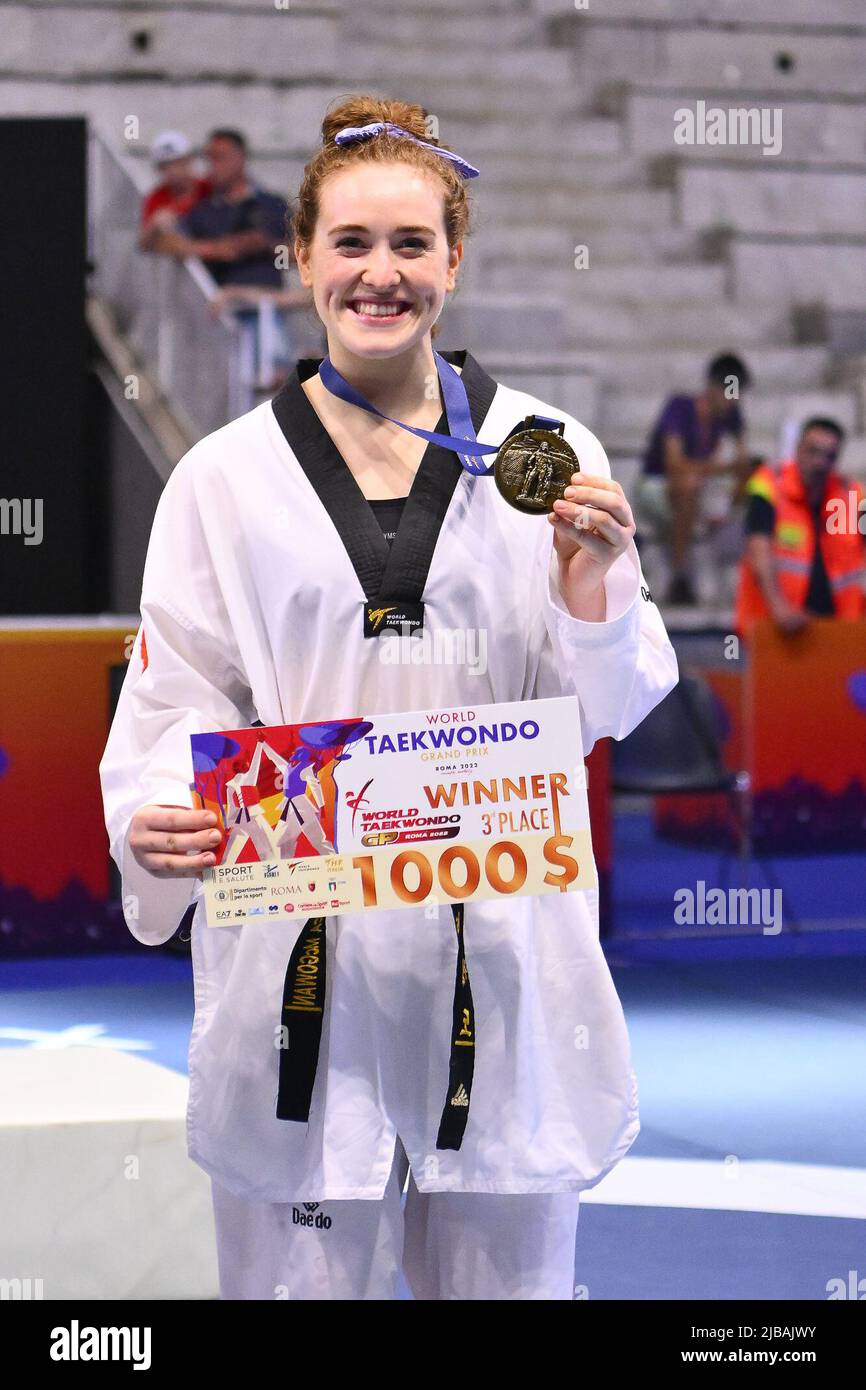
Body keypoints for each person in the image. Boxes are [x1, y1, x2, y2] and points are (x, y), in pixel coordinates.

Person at [99, 95, 679, 1301]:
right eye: (350, 243)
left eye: (411, 245)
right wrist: (157, 809)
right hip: (302, 959)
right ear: (299, 255)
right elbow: (179, 699)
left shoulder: (548, 448)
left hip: (501, 952)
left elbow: (609, 702)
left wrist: (592, 587)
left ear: (453, 262)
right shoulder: (221, 478)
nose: (380, 274)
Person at [735, 417, 866, 637]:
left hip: (841, 629)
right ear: (797, 450)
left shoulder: (851, 495)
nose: (819, 463)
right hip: (777, 628)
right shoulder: (768, 484)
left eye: (829, 456)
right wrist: (779, 607)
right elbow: (759, 548)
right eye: (812, 452)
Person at [641, 352, 752, 606]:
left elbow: (741, 463)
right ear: (712, 387)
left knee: (757, 477)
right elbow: (674, 465)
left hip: (702, 490)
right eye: (728, 393)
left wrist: (734, 492)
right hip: (657, 487)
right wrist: (724, 468)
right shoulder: (680, 407)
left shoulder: (732, 416)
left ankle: (733, 565)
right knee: (688, 483)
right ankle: (680, 576)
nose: (731, 402)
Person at [151, 128, 287, 288]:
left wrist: (266, 246)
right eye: (210, 159)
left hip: (270, 304)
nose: (213, 166)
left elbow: (301, 254)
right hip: (220, 305)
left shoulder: (272, 204)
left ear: (240, 158)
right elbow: (165, 243)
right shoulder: (203, 209)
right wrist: (219, 249)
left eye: (220, 158)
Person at [138, 130, 211, 253]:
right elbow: (143, 243)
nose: (173, 171)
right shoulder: (156, 197)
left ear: (190, 161)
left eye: (178, 163)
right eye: (165, 166)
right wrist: (155, 225)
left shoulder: (208, 187)